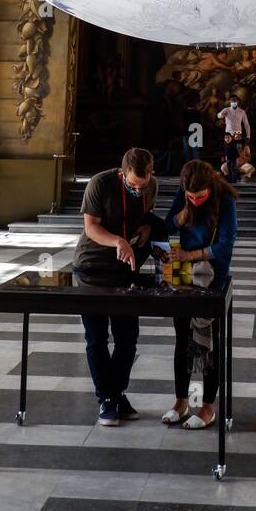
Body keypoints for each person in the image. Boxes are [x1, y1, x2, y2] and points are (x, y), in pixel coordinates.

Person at [73, 147, 163, 426]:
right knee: (96, 336)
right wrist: (118, 241)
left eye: (143, 184)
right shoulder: (100, 183)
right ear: (122, 173)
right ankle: (106, 399)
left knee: (127, 337)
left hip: (125, 269)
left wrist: (146, 229)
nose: (139, 189)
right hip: (93, 267)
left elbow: (147, 216)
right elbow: (91, 227)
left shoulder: (151, 186)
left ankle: (116, 392)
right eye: (133, 184)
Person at [161, 160, 238, 429]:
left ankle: (207, 407)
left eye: (199, 196)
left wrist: (191, 254)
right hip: (183, 272)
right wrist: (179, 217)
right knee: (182, 337)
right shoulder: (184, 194)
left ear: (210, 188)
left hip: (211, 273)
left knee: (209, 342)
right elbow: (168, 226)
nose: (194, 200)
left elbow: (226, 243)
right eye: (190, 196)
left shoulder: (224, 199)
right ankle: (181, 401)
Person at [216, 95, 253, 182]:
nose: (233, 102)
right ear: (230, 101)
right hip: (228, 135)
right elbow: (219, 116)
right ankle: (230, 176)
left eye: (235, 100)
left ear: (238, 102)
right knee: (229, 156)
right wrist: (221, 114)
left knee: (238, 153)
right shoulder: (227, 110)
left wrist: (248, 136)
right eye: (232, 100)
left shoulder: (242, 112)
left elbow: (246, 125)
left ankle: (236, 175)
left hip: (238, 135)